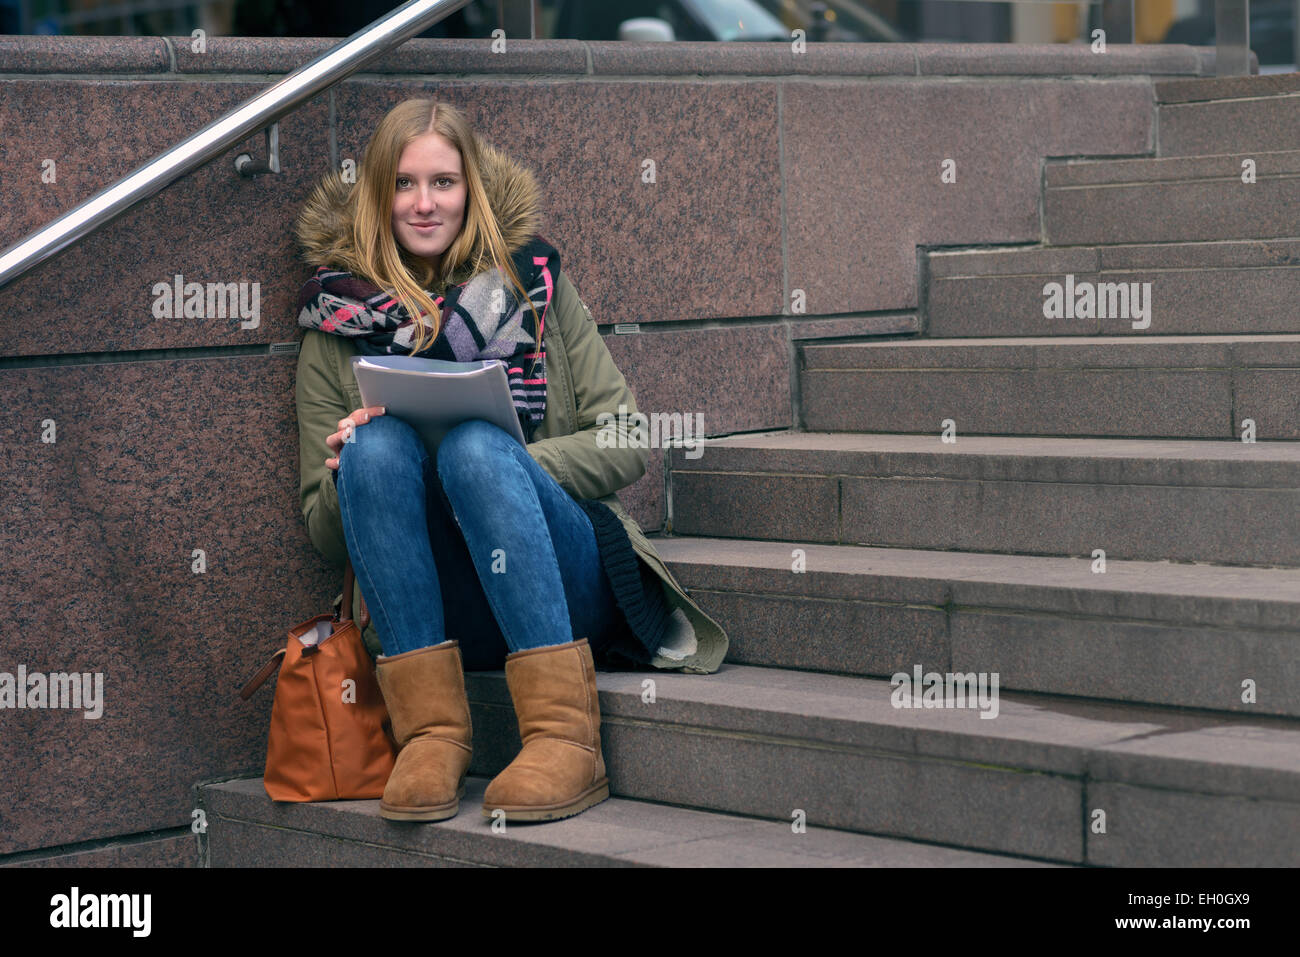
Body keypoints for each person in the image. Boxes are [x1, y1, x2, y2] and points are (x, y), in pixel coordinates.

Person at [292, 99, 728, 825]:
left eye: (444, 182)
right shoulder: (333, 324)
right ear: (376, 194)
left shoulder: (533, 286)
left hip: (560, 575)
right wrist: (345, 475)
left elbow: (625, 436)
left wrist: (509, 464)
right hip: (438, 601)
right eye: (403, 184)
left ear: (473, 191)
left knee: (473, 448)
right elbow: (319, 526)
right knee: (373, 447)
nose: (425, 203)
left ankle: (565, 738)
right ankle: (430, 735)